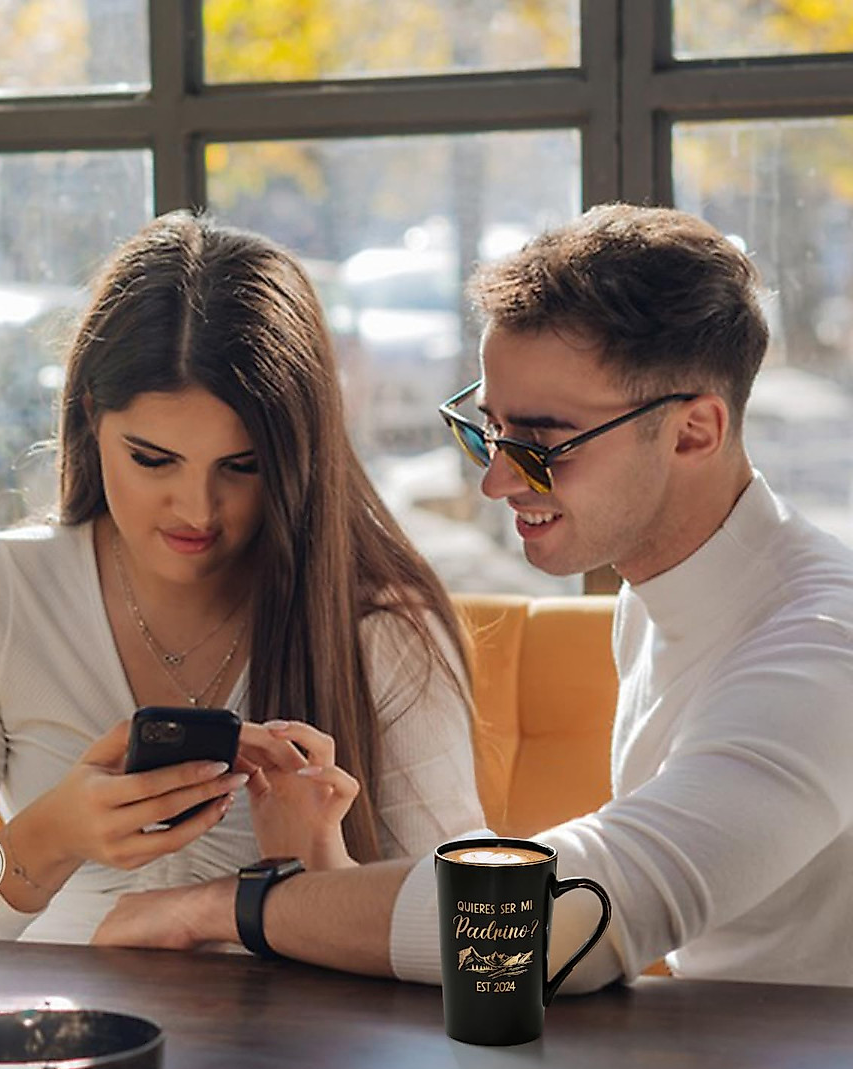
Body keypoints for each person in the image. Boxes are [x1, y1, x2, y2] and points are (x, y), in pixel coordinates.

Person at [95, 202, 853, 990]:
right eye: (488, 430)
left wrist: (224, 907)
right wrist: (317, 878)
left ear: (694, 431)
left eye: (540, 442)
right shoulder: (667, 599)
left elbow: (562, 924)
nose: (495, 479)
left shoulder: (820, 649)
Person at [0, 210, 485, 944]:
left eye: (243, 467)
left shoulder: (379, 625)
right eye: (153, 460)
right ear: (88, 415)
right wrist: (48, 839)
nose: (198, 509)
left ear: (298, 454)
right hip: (59, 1049)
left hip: (300, 1055)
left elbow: (477, 929)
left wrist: (311, 867)